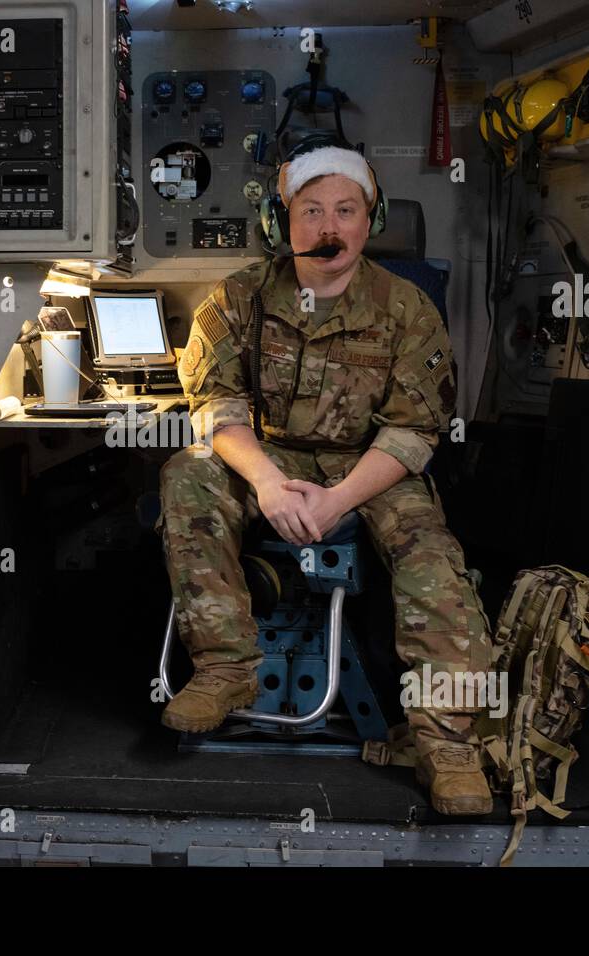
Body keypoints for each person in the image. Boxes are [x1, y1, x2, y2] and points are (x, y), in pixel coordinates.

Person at [157, 141, 494, 815]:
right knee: (186, 475)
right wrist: (269, 484)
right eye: (311, 211)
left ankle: (449, 741)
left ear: (372, 220)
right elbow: (217, 406)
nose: (329, 227)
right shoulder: (238, 299)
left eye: (346, 209)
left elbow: (412, 431)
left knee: (432, 561)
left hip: (370, 465)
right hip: (268, 454)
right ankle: (226, 666)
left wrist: (340, 498)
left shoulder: (407, 309)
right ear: (283, 222)